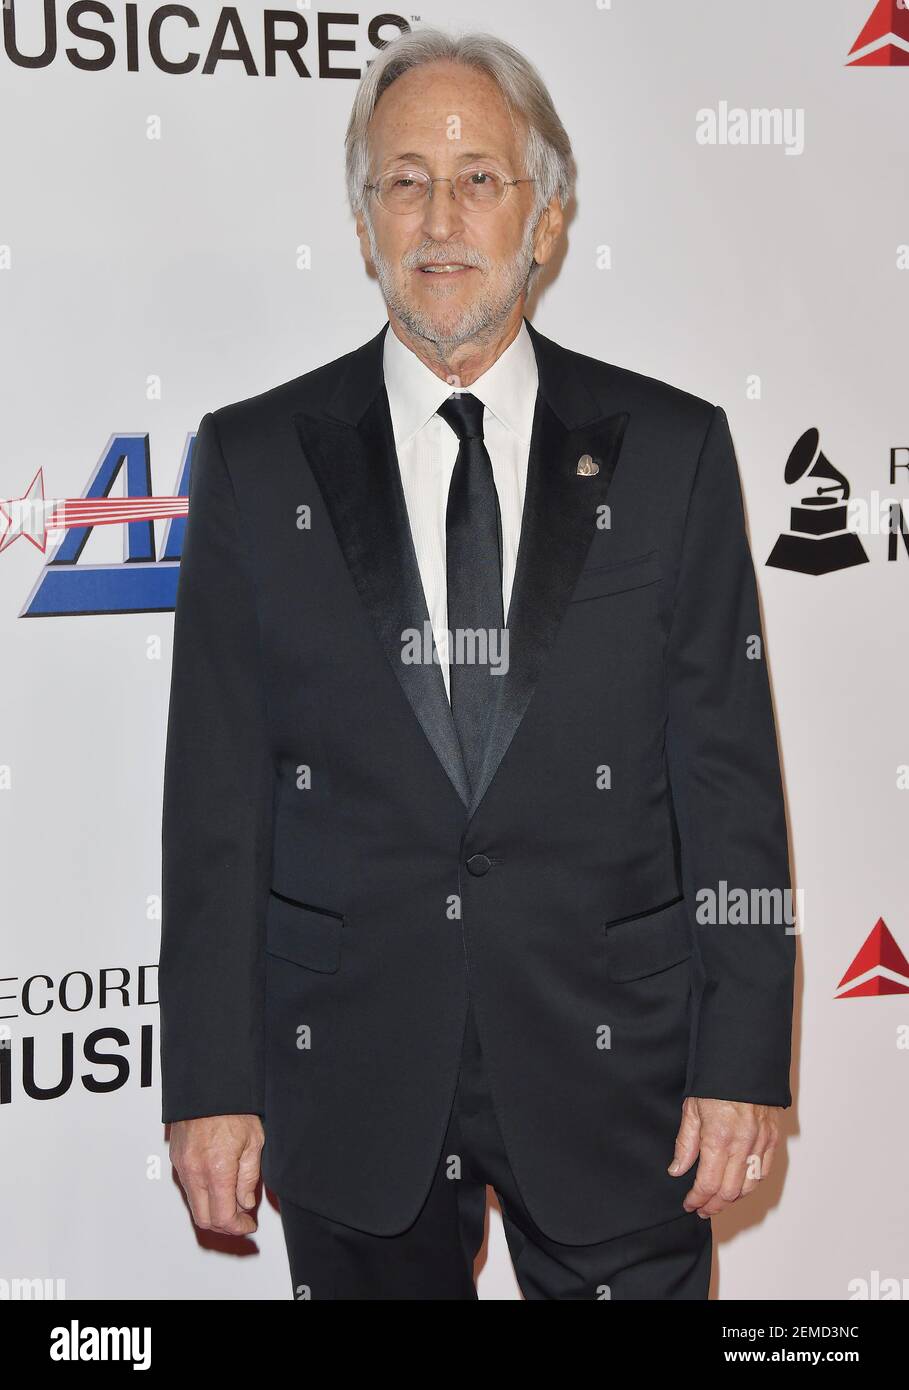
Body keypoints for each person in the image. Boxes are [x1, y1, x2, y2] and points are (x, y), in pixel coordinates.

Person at [159, 27, 796, 1301]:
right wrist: (213, 1083)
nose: (439, 216)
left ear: (546, 220)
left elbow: (727, 783)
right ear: (361, 225)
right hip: (351, 1068)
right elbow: (217, 806)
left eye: (479, 178)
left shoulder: (673, 455)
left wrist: (743, 1055)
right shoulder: (254, 459)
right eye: (403, 180)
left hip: (616, 1070)